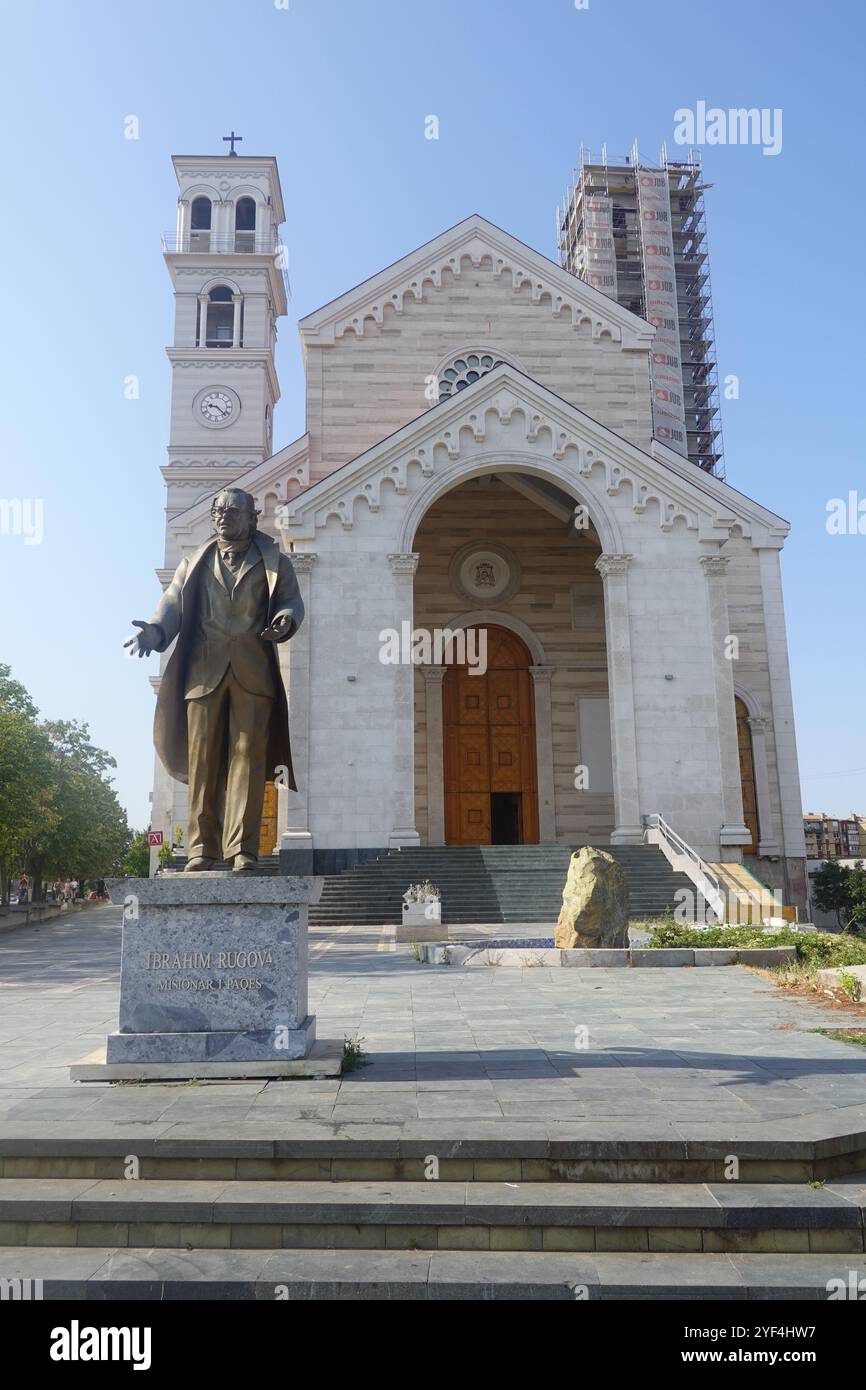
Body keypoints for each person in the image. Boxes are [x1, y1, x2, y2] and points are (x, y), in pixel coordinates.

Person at [124, 488, 304, 872]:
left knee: (248, 760)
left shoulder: (275, 560)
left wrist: (287, 618)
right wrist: (152, 634)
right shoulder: (194, 562)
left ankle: (242, 850)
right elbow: (171, 604)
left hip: (254, 675)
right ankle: (200, 849)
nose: (224, 516)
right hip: (202, 677)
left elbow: (291, 599)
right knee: (202, 762)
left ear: (252, 518)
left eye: (234, 511)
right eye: (218, 511)